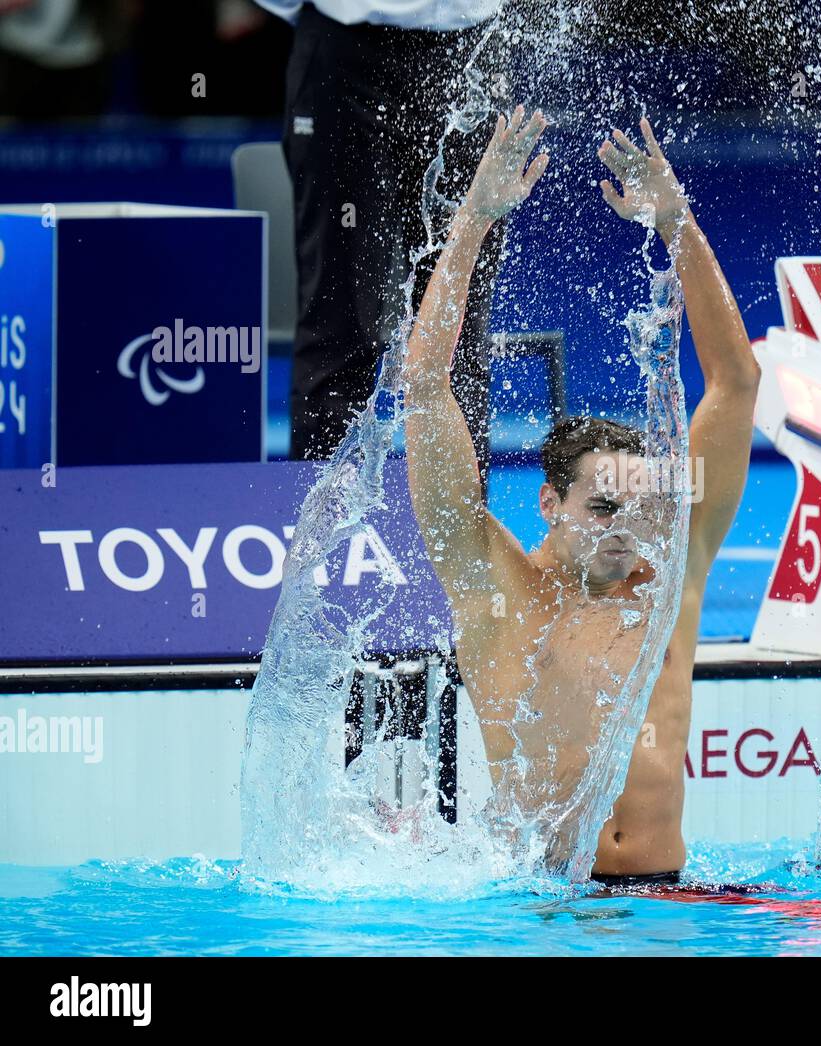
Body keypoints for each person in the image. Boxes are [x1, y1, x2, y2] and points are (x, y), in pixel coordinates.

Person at [405, 105, 760, 884]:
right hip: (542, 912)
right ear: (548, 504)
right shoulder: (491, 582)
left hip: (671, 906)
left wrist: (677, 223)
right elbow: (425, 388)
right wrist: (474, 220)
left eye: (637, 510)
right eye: (601, 508)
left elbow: (735, 384)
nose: (623, 531)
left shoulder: (672, 581)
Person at [255, 0, 507, 471]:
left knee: (457, 326)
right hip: (342, 51)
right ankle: (317, 534)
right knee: (335, 319)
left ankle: (459, 536)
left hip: (470, 53)